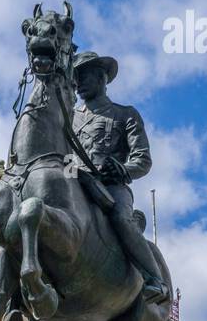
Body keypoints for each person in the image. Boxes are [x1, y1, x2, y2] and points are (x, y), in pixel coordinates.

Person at [72, 50, 168, 303]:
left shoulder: (125, 114)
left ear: (103, 78)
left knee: (121, 219)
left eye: (85, 76)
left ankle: (155, 280)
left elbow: (143, 160)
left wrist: (123, 169)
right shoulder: (68, 118)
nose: (78, 82)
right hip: (73, 182)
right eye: (75, 77)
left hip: (111, 187)